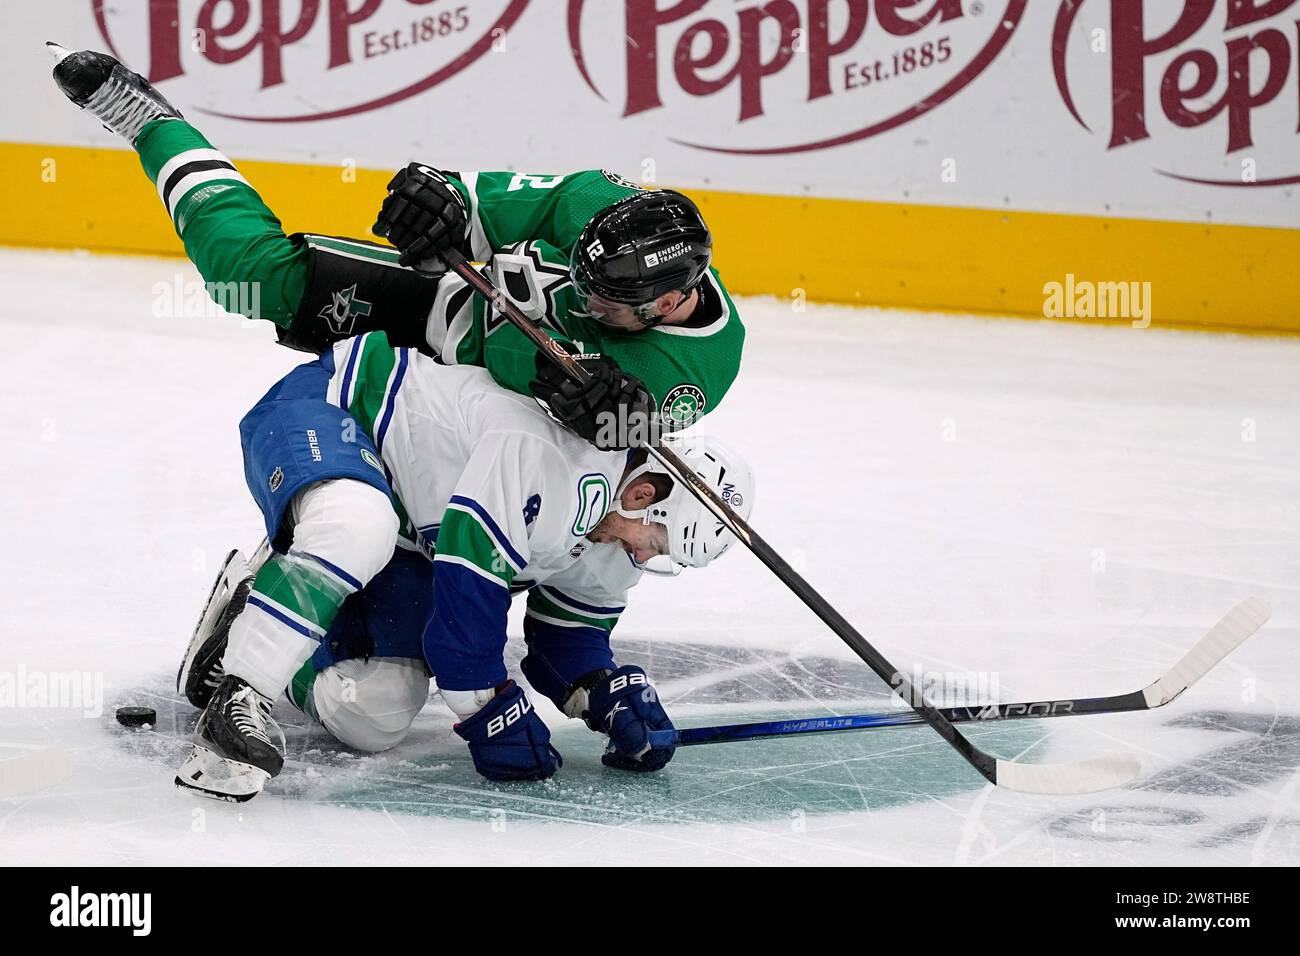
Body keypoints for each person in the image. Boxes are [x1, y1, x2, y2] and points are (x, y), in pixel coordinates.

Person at [48, 44, 746, 447]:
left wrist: (617, 421)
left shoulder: (698, 366)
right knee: (248, 276)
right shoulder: (605, 207)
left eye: (612, 304)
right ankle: (152, 125)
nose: (590, 305)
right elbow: (478, 202)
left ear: (673, 300)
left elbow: (631, 441)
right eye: (585, 284)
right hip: (447, 312)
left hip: (490, 426)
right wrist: (440, 202)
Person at [172, 328, 755, 801]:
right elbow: (467, 591)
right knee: (357, 526)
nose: (642, 556)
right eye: (655, 542)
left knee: (373, 714)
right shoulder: (548, 457)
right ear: (646, 492)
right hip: (339, 410)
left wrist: (600, 694)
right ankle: (239, 695)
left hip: (419, 534)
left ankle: (253, 607)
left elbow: (565, 635)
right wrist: (485, 708)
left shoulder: (617, 533)